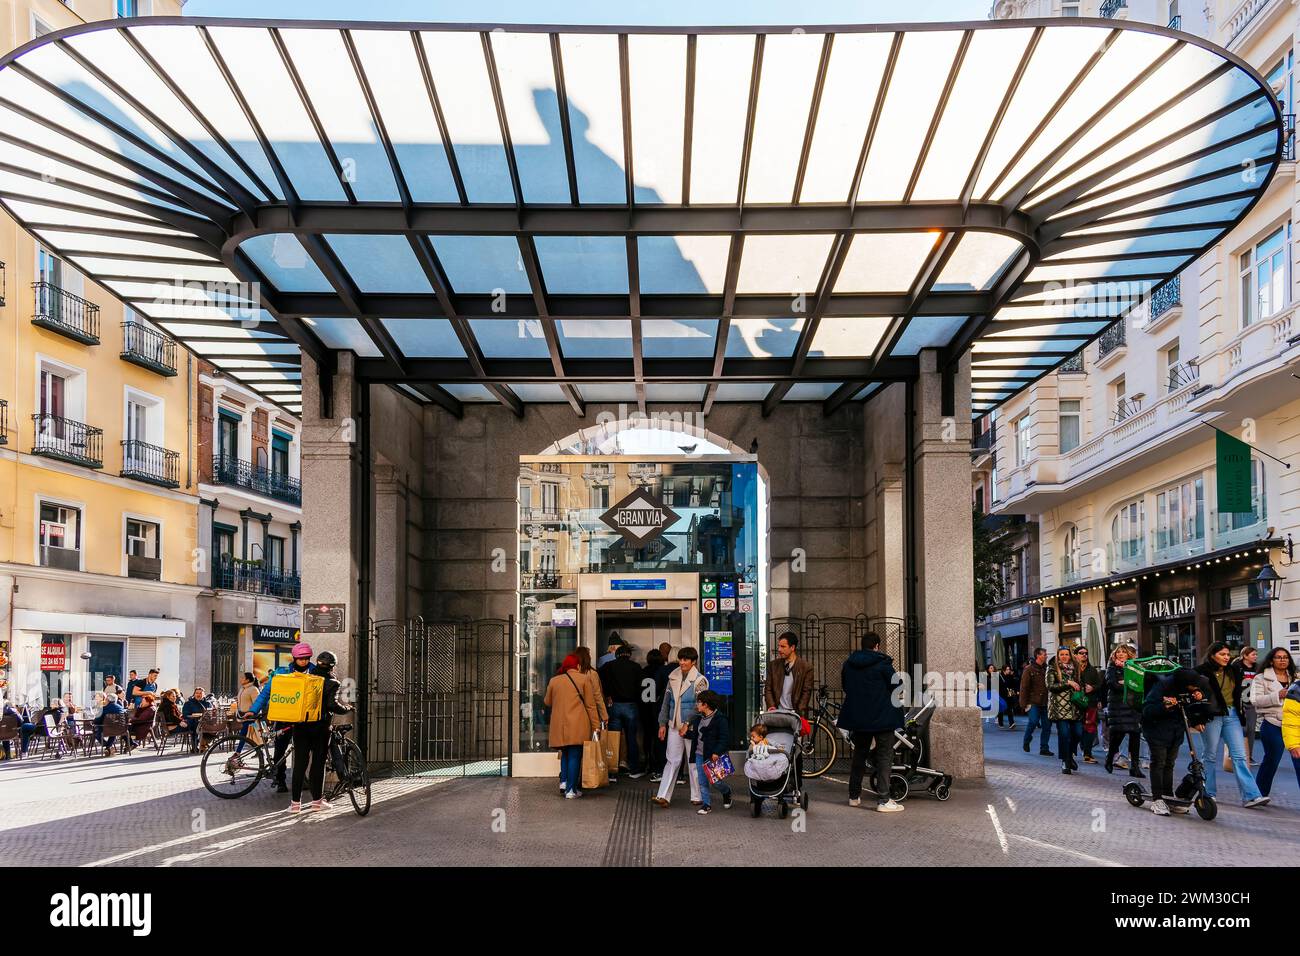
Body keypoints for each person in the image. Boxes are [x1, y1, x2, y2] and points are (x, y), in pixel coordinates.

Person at [1195, 641, 1268, 808]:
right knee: (1210, 755)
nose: (1226, 657)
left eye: (1228, 654)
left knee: (1240, 755)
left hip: (1232, 714)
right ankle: (1208, 793)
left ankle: (1251, 796)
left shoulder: (1233, 670)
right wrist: (1196, 719)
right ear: (1212, 655)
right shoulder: (1201, 672)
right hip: (1211, 716)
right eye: (1222, 654)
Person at [839, 631, 906, 813]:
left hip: (859, 718)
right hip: (882, 717)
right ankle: (883, 800)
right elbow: (898, 686)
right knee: (884, 756)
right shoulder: (883, 663)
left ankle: (854, 796)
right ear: (877, 646)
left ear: (862, 646)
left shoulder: (849, 664)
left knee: (859, 755)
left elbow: (846, 687)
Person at [1141, 667, 1211, 816]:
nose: (1196, 687)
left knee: (1169, 764)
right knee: (1159, 762)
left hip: (1175, 731)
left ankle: (1168, 796)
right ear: (1185, 683)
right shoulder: (1162, 686)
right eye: (1194, 686)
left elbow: (1188, 708)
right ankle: (1158, 799)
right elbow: (1147, 710)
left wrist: (1196, 699)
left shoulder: (1186, 689)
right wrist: (1164, 706)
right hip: (1156, 730)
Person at [287, 651, 351, 812]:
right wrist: (346, 709)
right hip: (321, 729)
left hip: (301, 727)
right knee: (318, 764)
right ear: (332, 666)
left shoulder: (305, 677)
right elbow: (332, 705)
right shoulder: (332, 682)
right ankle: (317, 802)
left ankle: (295, 804)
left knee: (300, 765)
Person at [250, 642, 319, 792]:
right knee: (280, 750)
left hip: (305, 720)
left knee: (304, 752)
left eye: (307, 658)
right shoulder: (282, 672)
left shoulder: (316, 672)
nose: (304, 662)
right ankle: (280, 779)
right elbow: (266, 693)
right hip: (284, 718)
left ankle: (302, 779)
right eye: (301, 659)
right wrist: (253, 710)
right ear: (294, 658)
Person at [652, 646, 708, 807]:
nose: (682, 662)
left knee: (693, 762)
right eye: (681, 659)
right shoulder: (673, 677)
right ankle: (663, 796)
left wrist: (687, 723)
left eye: (685, 660)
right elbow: (666, 702)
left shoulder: (700, 680)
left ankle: (697, 796)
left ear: (693, 662)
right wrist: (662, 723)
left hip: (691, 728)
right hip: (674, 725)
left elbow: (700, 706)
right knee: (672, 760)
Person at [543, 653, 601, 798]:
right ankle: (571, 790)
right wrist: (596, 725)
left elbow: (547, 702)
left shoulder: (554, 681)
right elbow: (590, 706)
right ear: (578, 666)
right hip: (577, 724)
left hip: (559, 725)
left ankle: (563, 782)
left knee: (565, 753)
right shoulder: (584, 679)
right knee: (575, 755)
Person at [1252, 647, 1299, 797]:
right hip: (1273, 723)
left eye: (1285, 657)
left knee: (1298, 762)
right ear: (1271, 660)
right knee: (1272, 760)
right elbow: (1255, 700)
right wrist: (1277, 695)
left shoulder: (1295, 678)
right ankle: (1260, 793)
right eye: (1278, 657)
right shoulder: (1261, 678)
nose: (1282, 660)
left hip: (1295, 725)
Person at [599, 644, 645, 778]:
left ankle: (612, 772)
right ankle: (634, 770)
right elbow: (641, 686)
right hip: (631, 705)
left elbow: (599, 679)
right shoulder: (636, 667)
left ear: (616, 654)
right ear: (629, 655)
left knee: (613, 739)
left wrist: (608, 695)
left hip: (614, 705)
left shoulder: (608, 666)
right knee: (631, 737)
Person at [1103, 644, 1143, 778]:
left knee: (1135, 735)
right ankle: (1109, 759)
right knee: (1117, 737)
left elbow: (1139, 684)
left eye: (1123, 652)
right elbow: (1112, 684)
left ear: (1128, 655)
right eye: (1118, 652)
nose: (1120, 654)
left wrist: (1124, 683)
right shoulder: (1112, 667)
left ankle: (1135, 767)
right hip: (1118, 706)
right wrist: (1128, 684)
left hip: (1133, 706)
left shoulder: (1134, 667)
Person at [692, 690, 732, 814]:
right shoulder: (699, 719)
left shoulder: (720, 719)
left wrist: (716, 752)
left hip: (713, 755)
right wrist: (684, 733)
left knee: (715, 782)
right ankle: (706, 805)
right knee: (702, 781)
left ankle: (727, 791)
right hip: (699, 754)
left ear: (706, 705)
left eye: (699, 702)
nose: (696, 705)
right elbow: (696, 735)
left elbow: (724, 738)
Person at [1046, 647, 1082, 774]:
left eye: (1066, 654)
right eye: (1062, 654)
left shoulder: (1076, 667)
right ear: (1057, 656)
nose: (1064, 656)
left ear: (1070, 656)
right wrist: (1068, 683)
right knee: (1064, 735)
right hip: (1059, 708)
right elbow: (1050, 686)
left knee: (1078, 733)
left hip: (1074, 707)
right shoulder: (1052, 668)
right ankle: (1065, 761)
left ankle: (1070, 755)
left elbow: (1079, 683)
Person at [764, 631, 813, 716]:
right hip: (777, 712)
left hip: (796, 714)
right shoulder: (773, 665)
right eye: (778, 646)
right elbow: (768, 689)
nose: (779, 649)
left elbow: (806, 692)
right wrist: (772, 707)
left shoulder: (806, 667)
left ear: (792, 647)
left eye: (783, 646)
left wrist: (798, 712)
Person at [1073, 645, 1104, 764]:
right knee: (1077, 728)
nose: (1084, 655)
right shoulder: (1072, 669)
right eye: (1081, 653)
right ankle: (1074, 748)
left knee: (1090, 728)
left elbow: (1099, 685)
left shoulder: (1092, 670)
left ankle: (1087, 753)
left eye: (1086, 653)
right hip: (1075, 702)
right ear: (1075, 655)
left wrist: (1093, 688)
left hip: (1090, 702)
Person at [1020, 648, 1053, 756]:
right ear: (1038, 656)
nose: (1046, 656)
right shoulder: (1029, 669)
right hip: (1033, 701)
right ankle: (1026, 739)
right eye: (1044, 654)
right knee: (1033, 722)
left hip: (1046, 702)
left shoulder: (1048, 668)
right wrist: (1023, 704)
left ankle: (1044, 748)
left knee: (1047, 726)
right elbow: (1024, 687)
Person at [640, 649, 666, 781]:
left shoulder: (644, 671)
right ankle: (658, 765)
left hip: (645, 708)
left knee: (647, 737)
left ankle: (647, 763)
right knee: (658, 738)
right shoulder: (663, 670)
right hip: (658, 708)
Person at [1237, 646, 1259, 762]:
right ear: (1245, 655)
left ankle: (1248, 756)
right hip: (1239, 702)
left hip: (1251, 702)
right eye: (1253, 654)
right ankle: (1236, 754)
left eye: (1256, 654)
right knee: (1240, 729)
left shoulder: (1258, 668)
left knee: (1250, 729)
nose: (1255, 657)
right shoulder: (1237, 666)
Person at [180, 687, 214, 753]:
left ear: (204, 694)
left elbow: (211, 713)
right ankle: (195, 746)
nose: (198, 695)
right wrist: (193, 716)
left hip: (206, 722)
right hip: (193, 722)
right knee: (195, 725)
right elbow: (185, 715)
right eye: (196, 693)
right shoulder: (188, 703)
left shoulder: (208, 703)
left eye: (200, 693)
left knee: (217, 725)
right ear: (194, 694)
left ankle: (203, 744)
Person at [997, 664, 1019, 729]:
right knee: (1001, 709)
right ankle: (1000, 722)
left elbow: (1013, 684)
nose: (1009, 671)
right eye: (1007, 669)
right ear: (1004, 670)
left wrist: (1016, 691)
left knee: (1009, 708)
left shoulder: (1010, 676)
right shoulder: (999, 677)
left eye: (1009, 669)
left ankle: (1011, 723)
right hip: (1001, 694)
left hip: (1009, 694)